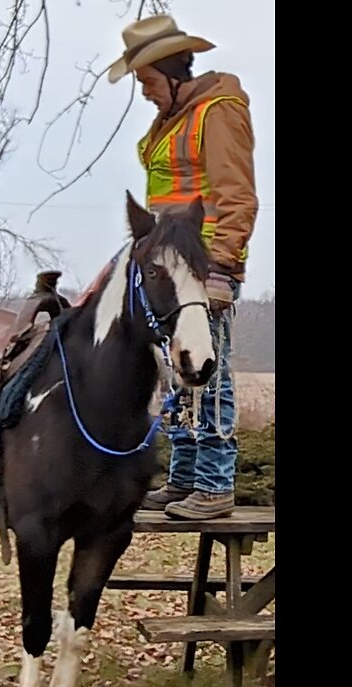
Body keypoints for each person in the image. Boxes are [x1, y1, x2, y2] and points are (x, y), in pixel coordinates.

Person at [106, 14, 259, 520]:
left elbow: (236, 197)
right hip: (172, 266)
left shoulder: (217, 113)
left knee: (209, 372)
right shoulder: (174, 117)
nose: (145, 93)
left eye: (148, 82)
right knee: (176, 370)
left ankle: (214, 484)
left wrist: (221, 268)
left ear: (172, 72)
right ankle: (185, 477)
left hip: (204, 266)